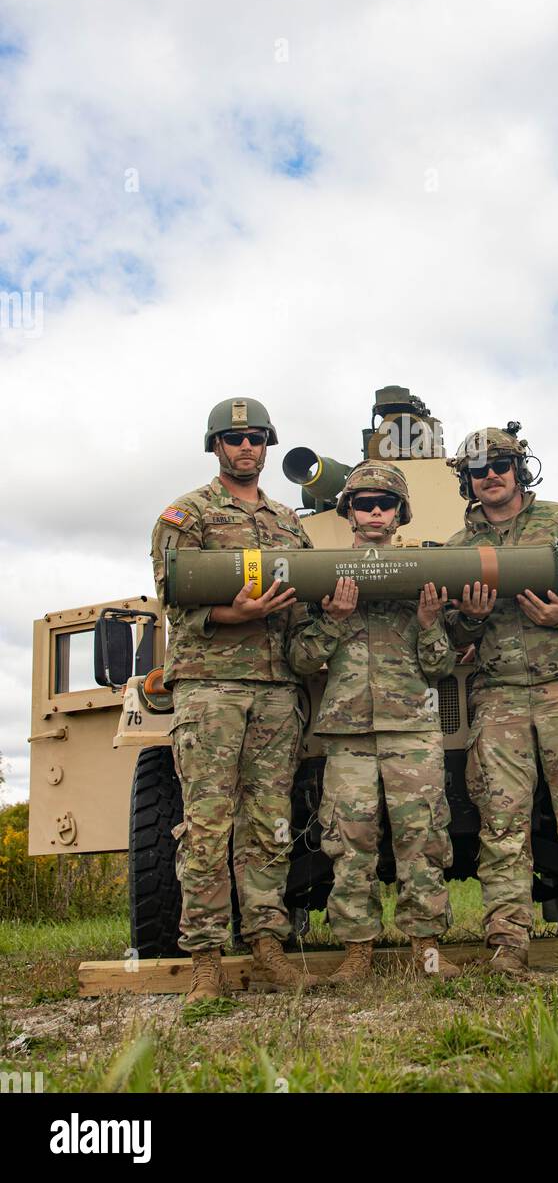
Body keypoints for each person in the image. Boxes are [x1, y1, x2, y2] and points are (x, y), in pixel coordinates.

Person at [151, 396, 320, 1004]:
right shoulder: (187, 514)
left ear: (267, 446)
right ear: (216, 446)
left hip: (277, 689)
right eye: (234, 438)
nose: (246, 447)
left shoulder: (288, 522)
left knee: (270, 822)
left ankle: (267, 944)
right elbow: (174, 595)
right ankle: (205, 959)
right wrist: (233, 614)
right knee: (206, 824)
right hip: (211, 686)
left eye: (255, 439)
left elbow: (306, 597)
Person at [444, 425, 558, 977]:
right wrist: (470, 619)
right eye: (478, 470)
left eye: (500, 465)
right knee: (501, 821)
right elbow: (450, 631)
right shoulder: (457, 550)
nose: (490, 476)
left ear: (519, 469)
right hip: (498, 692)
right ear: (468, 481)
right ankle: (507, 943)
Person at [289, 462, 460, 982]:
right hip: (348, 731)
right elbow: (301, 658)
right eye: (364, 504)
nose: (376, 513)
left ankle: (427, 951)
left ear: (400, 514)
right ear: (349, 512)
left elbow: (440, 666)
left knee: (423, 839)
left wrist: (428, 623)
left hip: (412, 727)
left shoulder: (422, 571)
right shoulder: (322, 575)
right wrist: (334, 620)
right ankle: (357, 954)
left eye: (386, 504)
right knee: (350, 842)